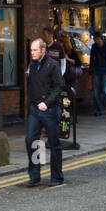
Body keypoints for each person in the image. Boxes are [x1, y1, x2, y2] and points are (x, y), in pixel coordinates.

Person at [24, 37, 65, 187]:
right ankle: (35, 175)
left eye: (35, 50)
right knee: (31, 141)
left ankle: (56, 177)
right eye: (31, 50)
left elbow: (58, 87)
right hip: (35, 110)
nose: (32, 53)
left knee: (54, 143)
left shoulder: (53, 65)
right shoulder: (33, 65)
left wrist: (46, 103)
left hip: (50, 110)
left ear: (43, 50)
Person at [89, 31, 106, 115]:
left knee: (104, 90)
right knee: (96, 91)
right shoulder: (94, 47)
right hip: (96, 70)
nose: (96, 41)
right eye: (95, 39)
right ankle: (98, 110)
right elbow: (92, 59)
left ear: (100, 38)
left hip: (105, 70)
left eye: (97, 39)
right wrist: (91, 69)